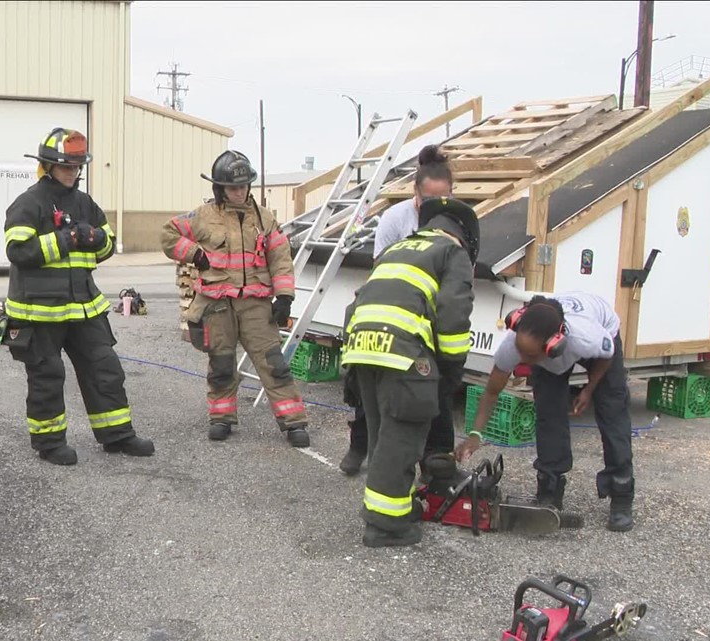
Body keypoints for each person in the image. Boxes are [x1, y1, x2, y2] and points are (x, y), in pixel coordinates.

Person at [3, 127, 155, 465]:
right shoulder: (29, 203)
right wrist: (66, 240)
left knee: (105, 369)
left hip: (83, 307)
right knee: (47, 377)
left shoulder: (85, 203)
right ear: (48, 165)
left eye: (76, 166)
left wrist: (95, 238)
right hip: (40, 312)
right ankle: (50, 443)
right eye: (66, 166)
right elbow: (18, 250)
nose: (72, 172)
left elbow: (107, 246)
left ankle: (117, 435)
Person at [341, 197, 477, 547]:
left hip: (362, 346)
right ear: (464, 236)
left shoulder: (397, 249)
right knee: (402, 437)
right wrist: (451, 370)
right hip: (403, 352)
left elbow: (356, 303)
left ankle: (395, 507)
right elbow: (453, 313)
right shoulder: (452, 253)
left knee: (382, 435)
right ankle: (385, 525)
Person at [160, 150, 311, 447]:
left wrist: (284, 297)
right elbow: (168, 235)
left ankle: (294, 422)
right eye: (232, 187)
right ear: (220, 188)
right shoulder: (203, 216)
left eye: (242, 186)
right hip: (217, 305)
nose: (239, 192)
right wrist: (195, 254)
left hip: (256, 305)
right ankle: (221, 418)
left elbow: (281, 259)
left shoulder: (265, 219)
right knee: (221, 364)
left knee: (274, 364)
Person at [455, 292, 635, 532]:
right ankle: (549, 489)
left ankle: (621, 493)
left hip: (602, 335)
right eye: (520, 351)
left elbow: (607, 355)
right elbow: (492, 391)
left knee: (612, 412)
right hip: (554, 348)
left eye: (529, 356)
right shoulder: (515, 345)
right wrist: (475, 434)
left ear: (554, 345)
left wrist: (589, 390)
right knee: (548, 413)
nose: (522, 359)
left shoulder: (587, 338)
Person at [339, 144, 462, 476]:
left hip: (431, 315)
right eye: (429, 199)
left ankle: (437, 463)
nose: (436, 206)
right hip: (394, 308)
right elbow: (381, 271)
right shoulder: (396, 218)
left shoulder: (459, 222)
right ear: (416, 195)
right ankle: (360, 444)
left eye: (444, 198)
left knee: (437, 391)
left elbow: (456, 283)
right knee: (369, 382)